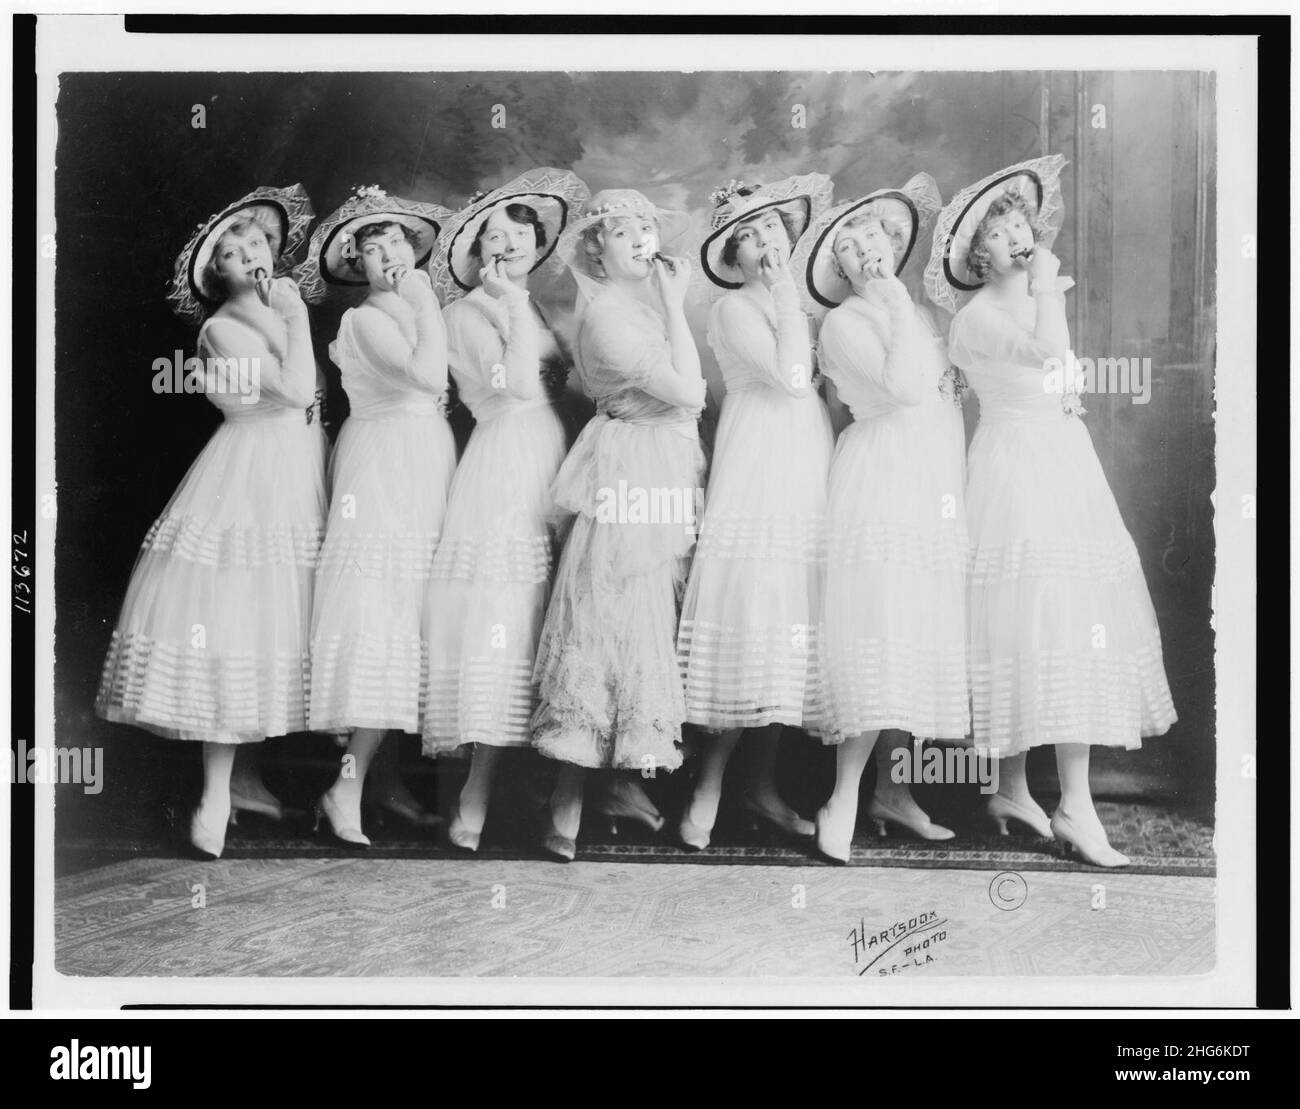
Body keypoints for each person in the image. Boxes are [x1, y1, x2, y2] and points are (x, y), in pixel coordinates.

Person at [924, 155, 1178, 867]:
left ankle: (1017, 790)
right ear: (976, 255)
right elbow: (1047, 353)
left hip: (1060, 458)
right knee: (1029, 616)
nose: (1015, 237)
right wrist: (1047, 289)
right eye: (997, 232)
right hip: (1013, 467)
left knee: (1066, 617)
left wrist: (1046, 306)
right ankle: (1071, 803)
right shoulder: (975, 318)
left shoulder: (1033, 297)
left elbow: (1063, 376)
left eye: (1017, 224)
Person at [96, 184, 326, 859]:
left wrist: (288, 316)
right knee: (233, 617)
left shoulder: (279, 310)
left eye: (252, 241)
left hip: (291, 468)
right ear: (215, 274)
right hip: (248, 472)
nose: (245, 253)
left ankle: (248, 778)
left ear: (271, 248)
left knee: (268, 621)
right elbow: (292, 389)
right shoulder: (222, 327)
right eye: (228, 252)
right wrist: (295, 317)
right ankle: (215, 793)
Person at [792, 174, 969, 862]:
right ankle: (840, 796)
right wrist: (895, 306)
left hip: (926, 475)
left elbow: (937, 387)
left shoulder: (911, 312)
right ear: (838, 263)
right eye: (856, 244)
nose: (874, 251)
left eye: (882, 239)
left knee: (916, 630)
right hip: (878, 475)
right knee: (878, 628)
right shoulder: (843, 323)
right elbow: (899, 389)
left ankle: (897, 791)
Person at [530, 188, 707, 861]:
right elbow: (691, 394)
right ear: (596, 249)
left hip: (660, 465)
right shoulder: (607, 315)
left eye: (645, 229)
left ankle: (614, 785)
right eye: (623, 232)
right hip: (629, 471)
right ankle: (567, 799)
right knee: (605, 615)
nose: (640, 240)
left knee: (644, 617)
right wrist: (672, 304)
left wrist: (667, 306)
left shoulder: (633, 306)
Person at [421, 169, 589, 852]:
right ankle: (474, 794)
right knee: (501, 612)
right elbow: (516, 385)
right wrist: (510, 308)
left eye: (519, 231)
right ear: (475, 251)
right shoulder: (464, 315)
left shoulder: (536, 309)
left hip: (549, 459)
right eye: (494, 234)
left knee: (546, 614)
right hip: (500, 464)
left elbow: (559, 388)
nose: (509, 241)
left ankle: (546, 795)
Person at [674, 175, 834, 850]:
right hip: (760, 463)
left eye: (770, 226)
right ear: (731, 256)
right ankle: (708, 785)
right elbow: (792, 378)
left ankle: (762, 787)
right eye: (747, 234)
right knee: (757, 618)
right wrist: (789, 300)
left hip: (805, 457)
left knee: (792, 623)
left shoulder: (793, 302)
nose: (763, 240)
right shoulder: (735, 309)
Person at [295, 185, 456, 846]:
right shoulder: (365, 320)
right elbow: (426, 374)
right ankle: (346, 786)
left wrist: (421, 304)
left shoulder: (411, 311)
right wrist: (421, 298)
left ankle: (383, 781)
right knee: (383, 613)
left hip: (420, 456)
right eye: (370, 243)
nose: (386, 250)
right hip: (385, 461)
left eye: (394, 238)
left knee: (408, 608)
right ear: (353, 261)